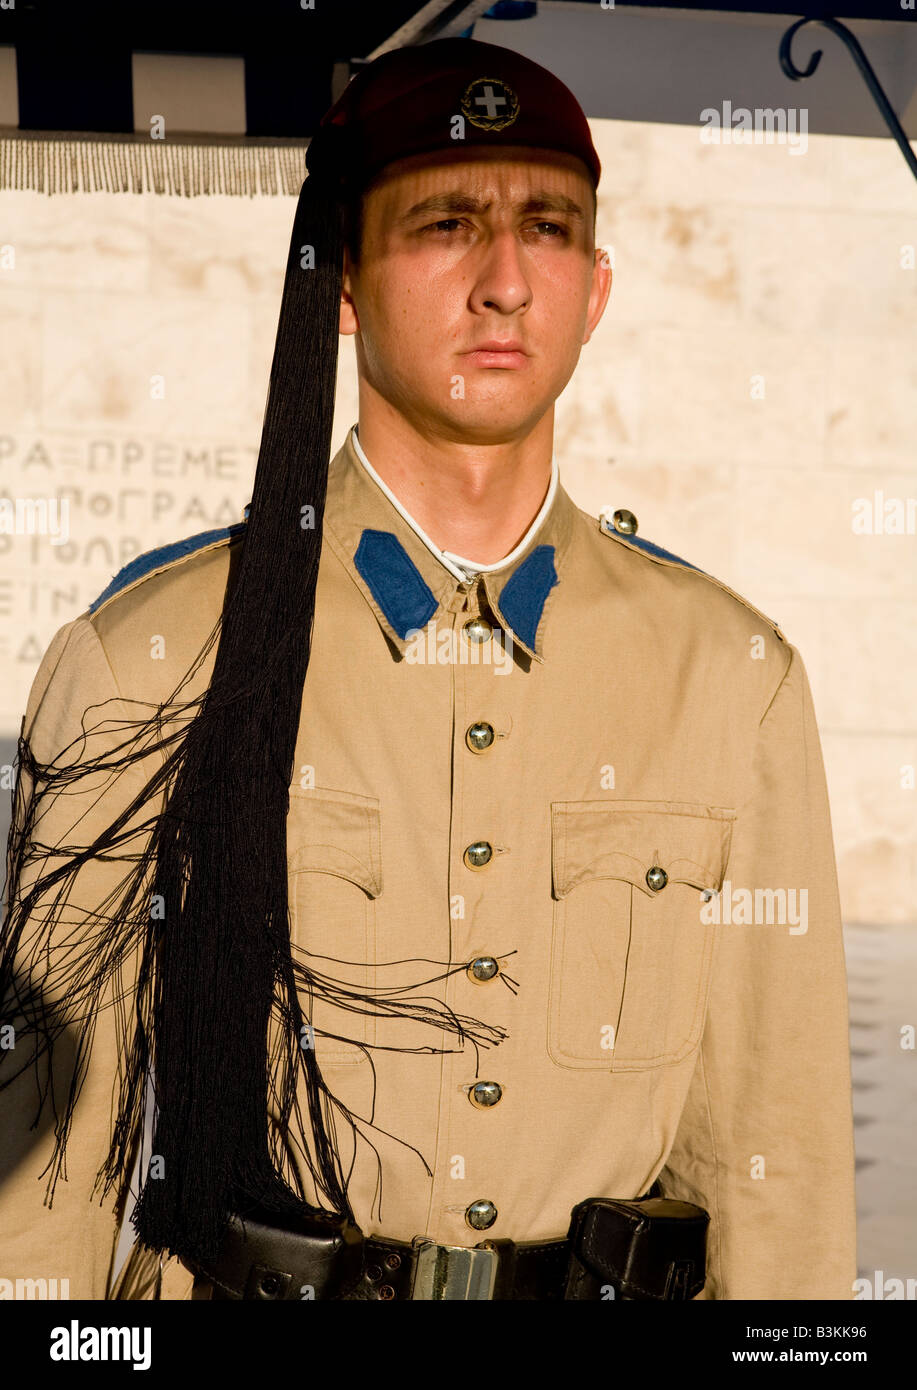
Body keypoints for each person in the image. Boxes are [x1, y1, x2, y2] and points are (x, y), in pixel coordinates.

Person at [0, 36, 856, 1302]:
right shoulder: (150, 661)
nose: (503, 283)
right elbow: (44, 1176)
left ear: (596, 290)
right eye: (446, 225)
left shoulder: (728, 680)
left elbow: (775, 1169)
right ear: (343, 280)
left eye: (547, 229)